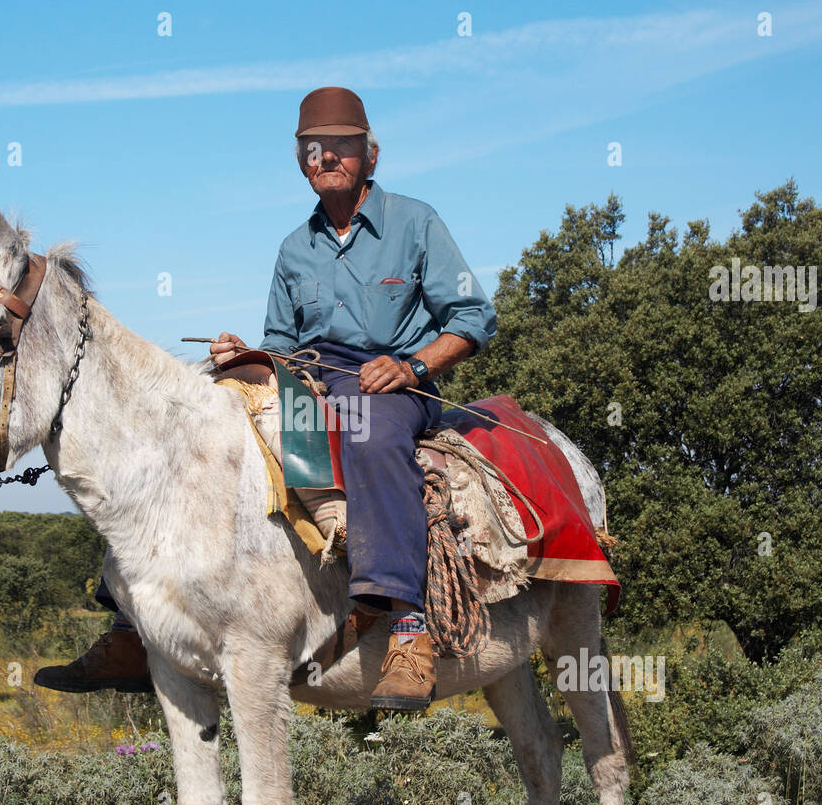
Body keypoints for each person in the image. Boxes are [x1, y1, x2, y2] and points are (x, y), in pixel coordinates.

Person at [35, 87, 496, 710]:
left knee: (370, 434)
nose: (325, 157)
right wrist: (243, 354)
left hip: (385, 383)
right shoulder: (293, 248)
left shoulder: (416, 222)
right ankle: (130, 625)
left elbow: (473, 316)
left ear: (371, 155)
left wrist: (412, 365)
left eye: (340, 146)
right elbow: (282, 343)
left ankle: (408, 628)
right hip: (307, 378)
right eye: (312, 148)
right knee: (192, 419)